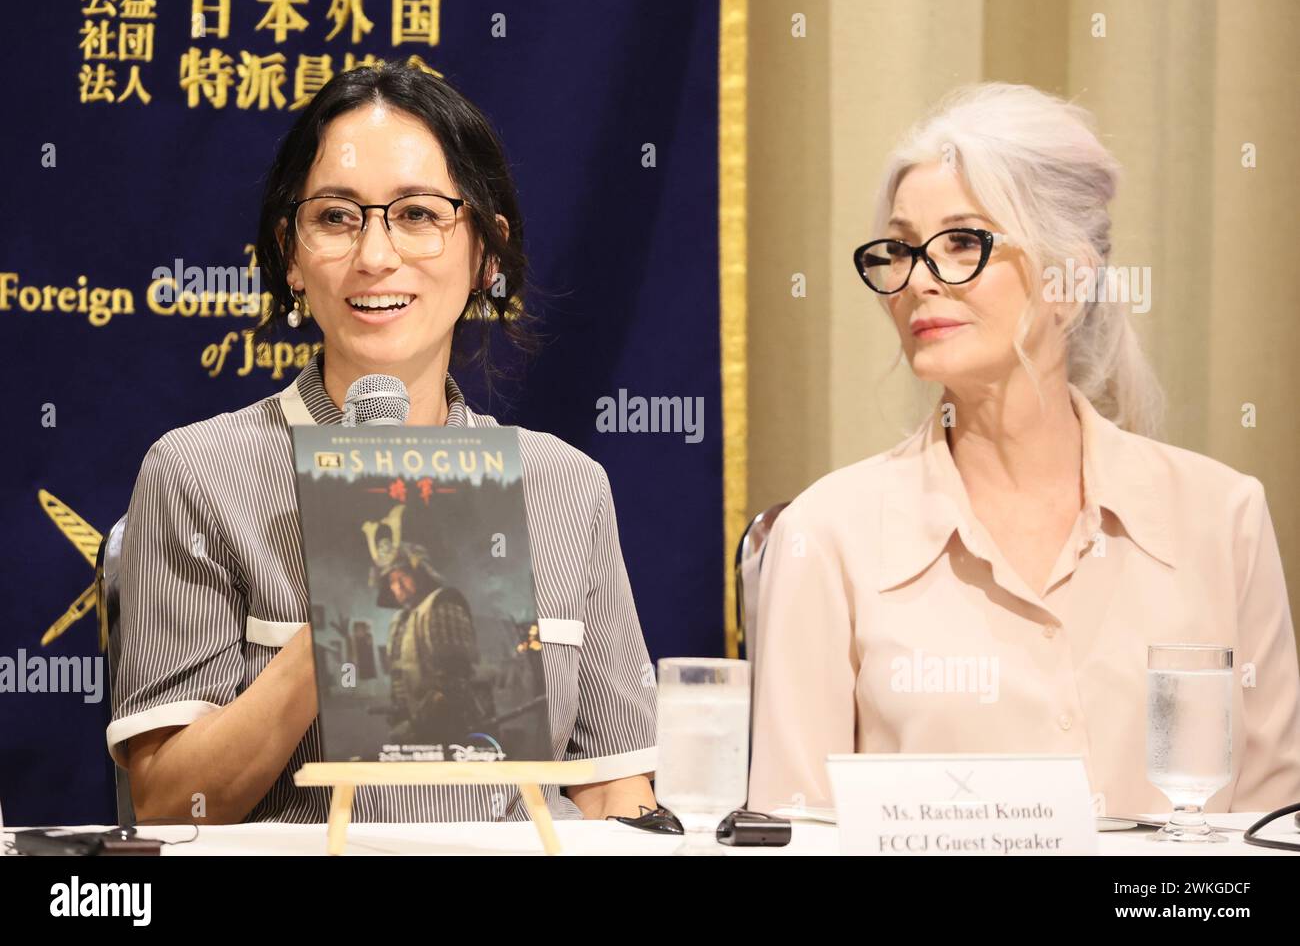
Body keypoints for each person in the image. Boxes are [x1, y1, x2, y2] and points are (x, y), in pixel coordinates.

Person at [107, 64, 656, 824]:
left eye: (419, 215)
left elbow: (614, 792)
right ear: (290, 255)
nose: (375, 255)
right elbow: (170, 803)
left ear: (487, 255)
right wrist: (340, 621)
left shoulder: (567, 487)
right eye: (336, 217)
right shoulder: (200, 474)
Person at [746, 83, 1300, 818]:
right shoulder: (825, 536)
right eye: (901, 249)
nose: (916, 281)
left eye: (962, 244)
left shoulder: (1221, 517)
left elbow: (1271, 826)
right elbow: (788, 832)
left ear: (1069, 280)